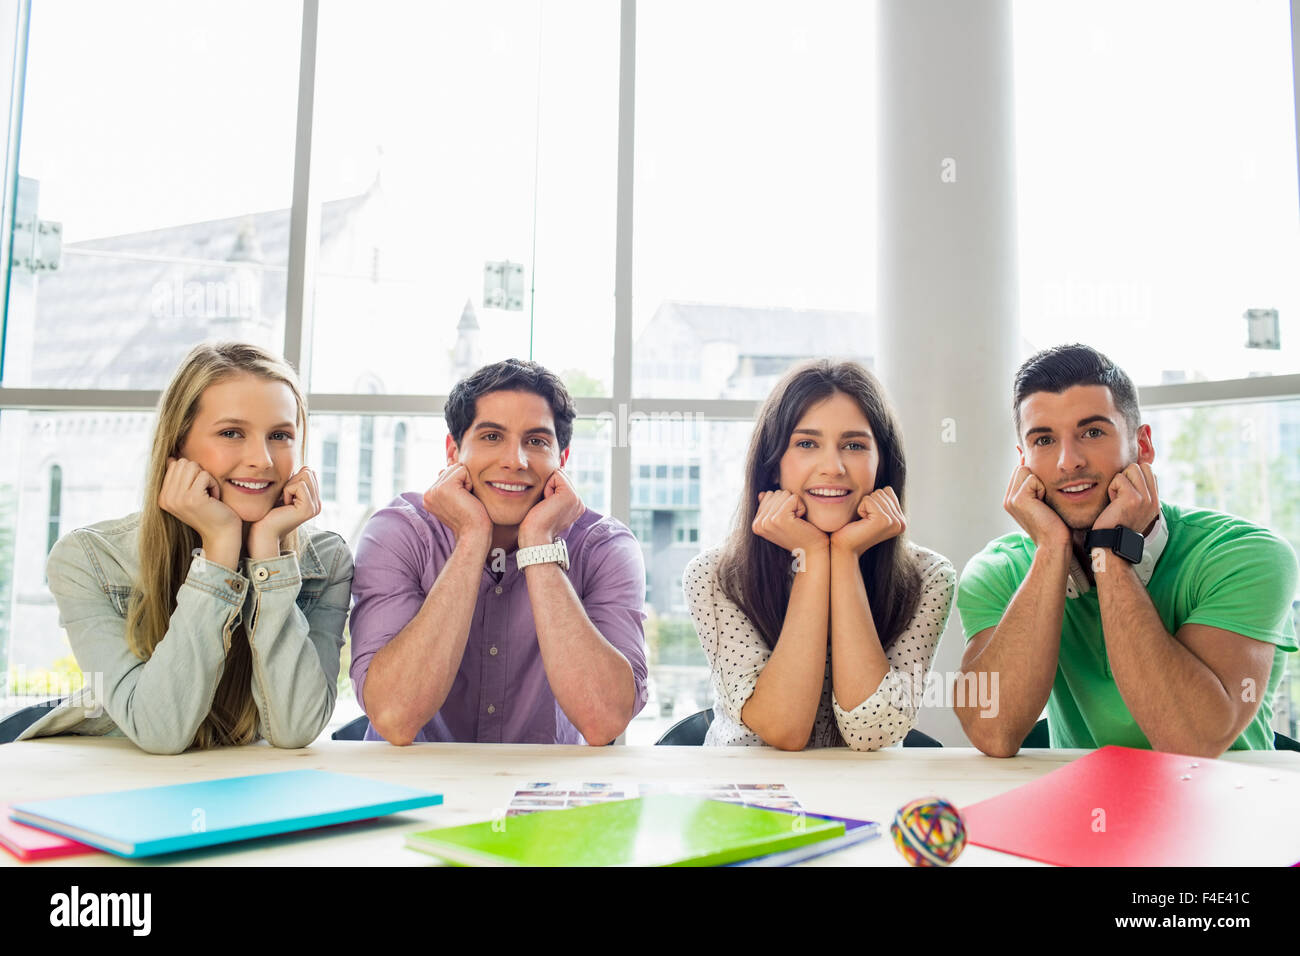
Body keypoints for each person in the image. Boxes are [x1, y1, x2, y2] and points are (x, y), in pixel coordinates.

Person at [956, 344, 1298, 757]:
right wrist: (1051, 551)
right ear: (1023, 463)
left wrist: (1110, 555)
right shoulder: (1000, 569)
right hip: (1082, 812)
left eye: (1093, 432)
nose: (1068, 462)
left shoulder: (1247, 556)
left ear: (1144, 445)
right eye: (1044, 440)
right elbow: (993, 733)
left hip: (1225, 808)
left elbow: (1190, 742)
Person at [26, 342, 353, 753]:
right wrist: (220, 548)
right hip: (109, 784)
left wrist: (269, 553)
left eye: (280, 435)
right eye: (232, 433)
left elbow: (295, 729)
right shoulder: (89, 561)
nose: (263, 459)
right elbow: (159, 731)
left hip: (241, 793)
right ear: (178, 446)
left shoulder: (326, 562)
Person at [350, 359, 647, 746]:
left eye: (536, 442)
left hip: (545, 796)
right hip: (411, 796)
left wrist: (539, 543)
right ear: (453, 451)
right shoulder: (400, 532)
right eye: (492, 437)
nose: (515, 461)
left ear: (563, 460)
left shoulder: (605, 548)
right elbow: (394, 716)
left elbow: (604, 720)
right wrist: (472, 537)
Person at [685, 360, 955, 751]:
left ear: (882, 466)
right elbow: (785, 729)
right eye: (807, 443)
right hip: (747, 800)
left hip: (864, 801)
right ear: (773, 466)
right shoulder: (714, 575)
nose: (833, 467)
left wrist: (843, 556)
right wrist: (812, 554)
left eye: (854, 445)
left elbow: (871, 732)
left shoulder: (928, 577)